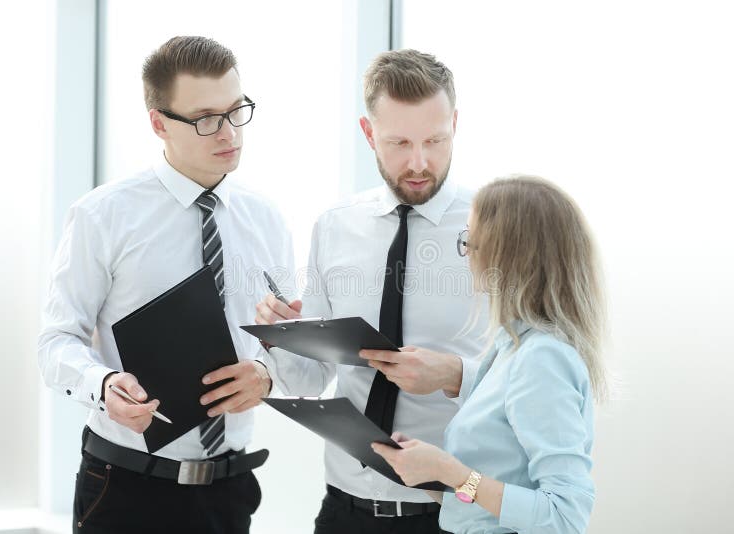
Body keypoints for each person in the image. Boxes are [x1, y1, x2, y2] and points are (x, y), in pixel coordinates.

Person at [38, 36, 291, 533]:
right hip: (125, 489)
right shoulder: (103, 215)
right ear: (159, 123)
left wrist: (266, 374)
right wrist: (103, 385)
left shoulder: (266, 219)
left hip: (230, 491)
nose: (229, 133)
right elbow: (56, 341)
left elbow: (286, 341)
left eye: (236, 111)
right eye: (206, 118)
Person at [254, 49, 487, 533]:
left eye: (435, 140)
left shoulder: (498, 229)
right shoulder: (335, 227)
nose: (419, 162)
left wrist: (455, 374)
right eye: (399, 142)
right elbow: (309, 379)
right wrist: (280, 339)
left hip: (455, 513)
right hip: (345, 511)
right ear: (368, 133)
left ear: (455, 124)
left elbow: (539, 381)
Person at [369, 176, 608, 534]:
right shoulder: (509, 347)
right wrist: (429, 472)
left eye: (472, 241)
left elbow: (564, 517)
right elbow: (486, 502)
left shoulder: (543, 359)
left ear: (508, 256)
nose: (466, 253)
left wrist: (450, 471)